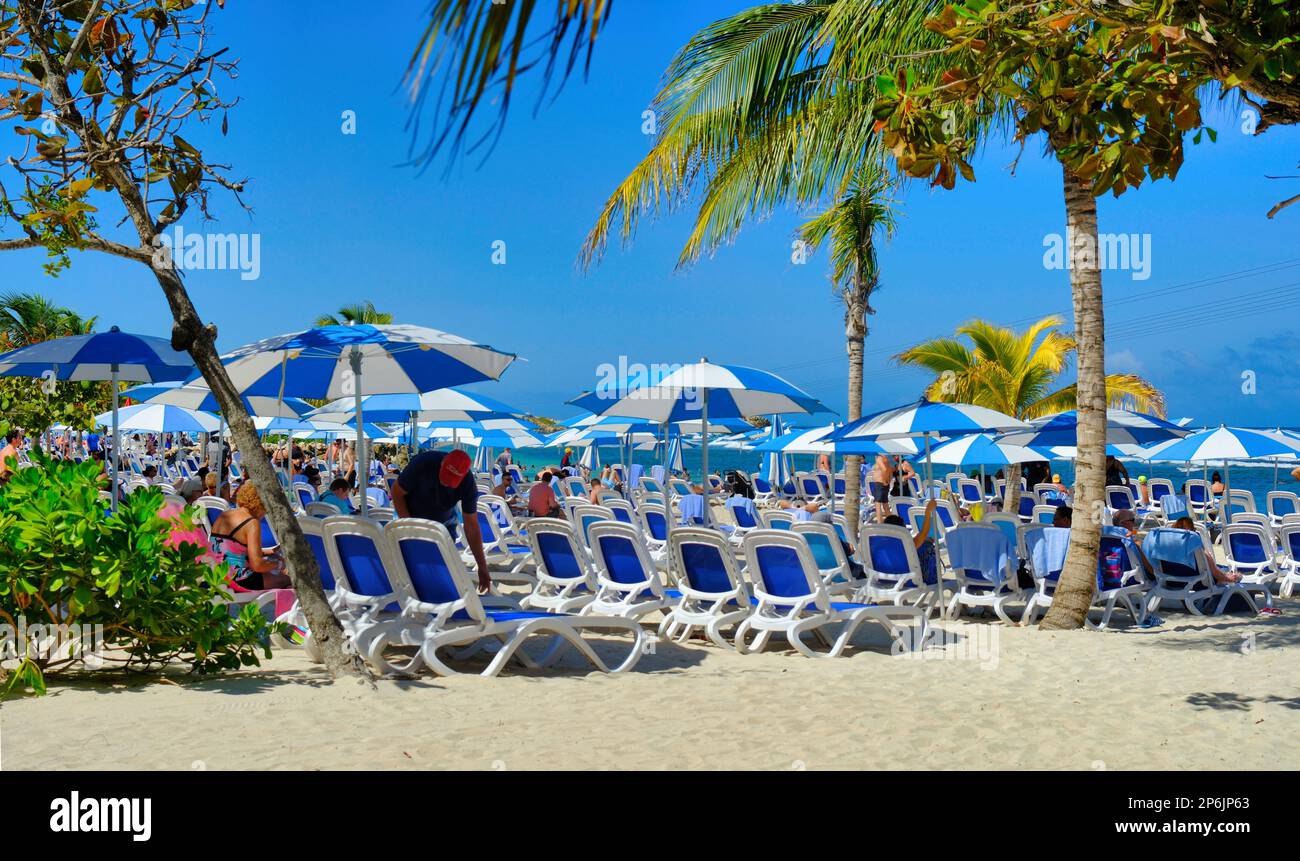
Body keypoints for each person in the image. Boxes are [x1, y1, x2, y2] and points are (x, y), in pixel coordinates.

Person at [392, 449, 491, 592]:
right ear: (442, 462)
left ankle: (438, 595)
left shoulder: (468, 484)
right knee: (410, 563)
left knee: (444, 564)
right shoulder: (423, 463)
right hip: (409, 513)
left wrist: (482, 566)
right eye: (445, 475)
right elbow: (396, 492)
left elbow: (471, 526)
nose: (445, 482)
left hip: (444, 522)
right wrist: (410, 526)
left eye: (452, 481)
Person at [209, 482, 290, 590]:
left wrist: (267, 552)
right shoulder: (251, 522)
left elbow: (229, 549)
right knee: (289, 580)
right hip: (239, 579)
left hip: (218, 574)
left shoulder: (225, 515)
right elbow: (257, 565)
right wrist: (279, 564)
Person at [884, 498, 940, 584]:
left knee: (924, 543)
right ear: (902, 530)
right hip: (910, 581)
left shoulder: (883, 544)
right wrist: (928, 511)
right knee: (926, 546)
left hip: (887, 579)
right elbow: (924, 533)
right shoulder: (906, 545)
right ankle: (933, 577)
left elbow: (921, 537)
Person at [869, 453, 895, 522]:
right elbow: (890, 469)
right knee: (885, 504)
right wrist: (887, 480)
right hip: (884, 483)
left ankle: (879, 523)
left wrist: (884, 480)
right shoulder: (886, 459)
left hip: (880, 483)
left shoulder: (879, 458)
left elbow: (884, 469)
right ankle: (891, 522)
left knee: (877, 504)